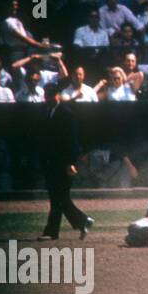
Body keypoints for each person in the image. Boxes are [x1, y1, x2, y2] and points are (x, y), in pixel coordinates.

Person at [36, 83, 94, 241]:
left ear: (58, 95)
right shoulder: (46, 112)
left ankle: (52, 231)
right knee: (59, 198)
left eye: (51, 95)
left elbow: (72, 142)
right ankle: (83, 221)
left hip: (64, 164)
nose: (48, 98)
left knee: (58, 198)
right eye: (46, 95)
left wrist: (71, 163)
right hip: (51, 163)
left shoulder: (67, 114)